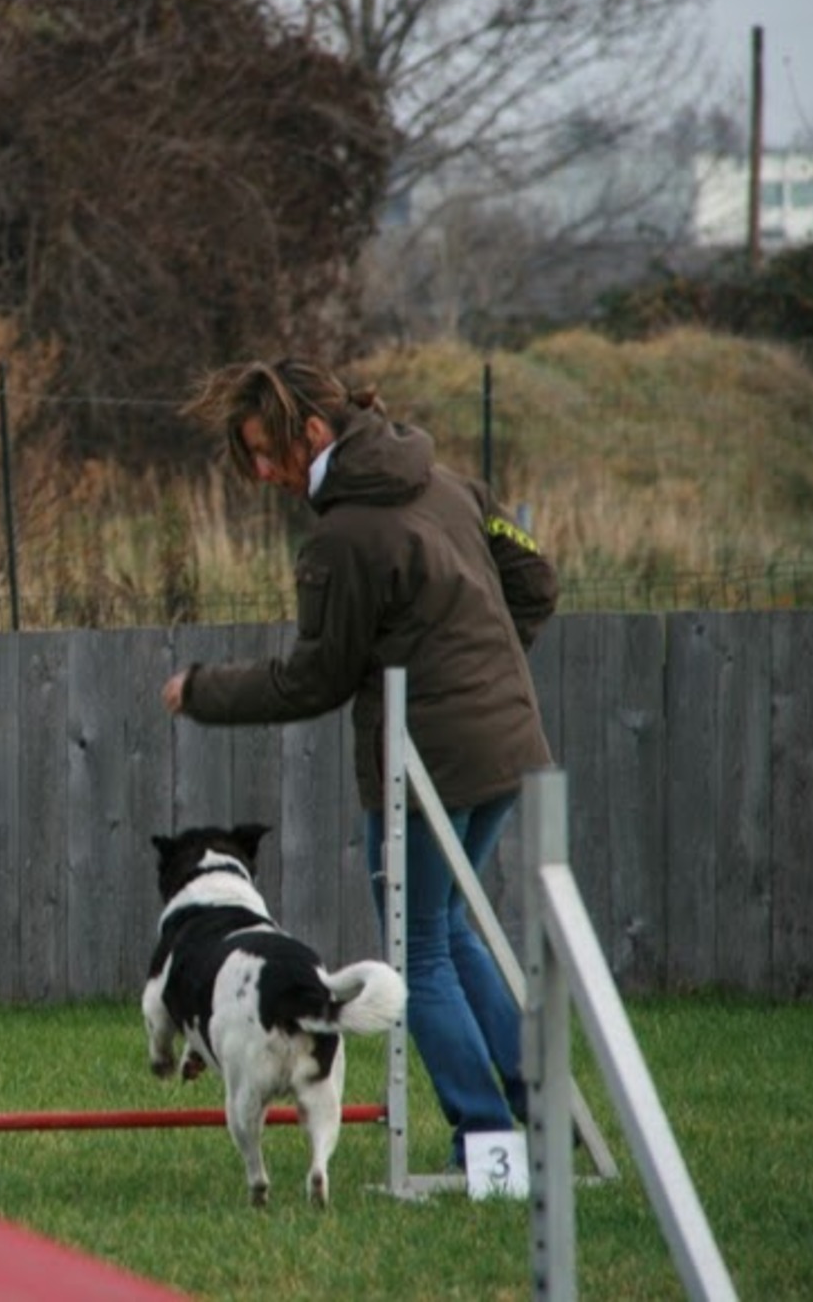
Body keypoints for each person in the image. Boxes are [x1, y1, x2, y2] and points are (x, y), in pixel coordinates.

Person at [159, 356, 557, 1166]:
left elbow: (315, 678)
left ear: (313, 430)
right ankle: (539, 1106)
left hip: (427, 762)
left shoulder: (343, 538)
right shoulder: (450, 485)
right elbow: (536, 579)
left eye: (266, 450)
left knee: (418, 952)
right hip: (508, 742)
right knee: (448, 929)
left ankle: (488, 1140)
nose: (263, 472)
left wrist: (201, 689)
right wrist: (481, 665)